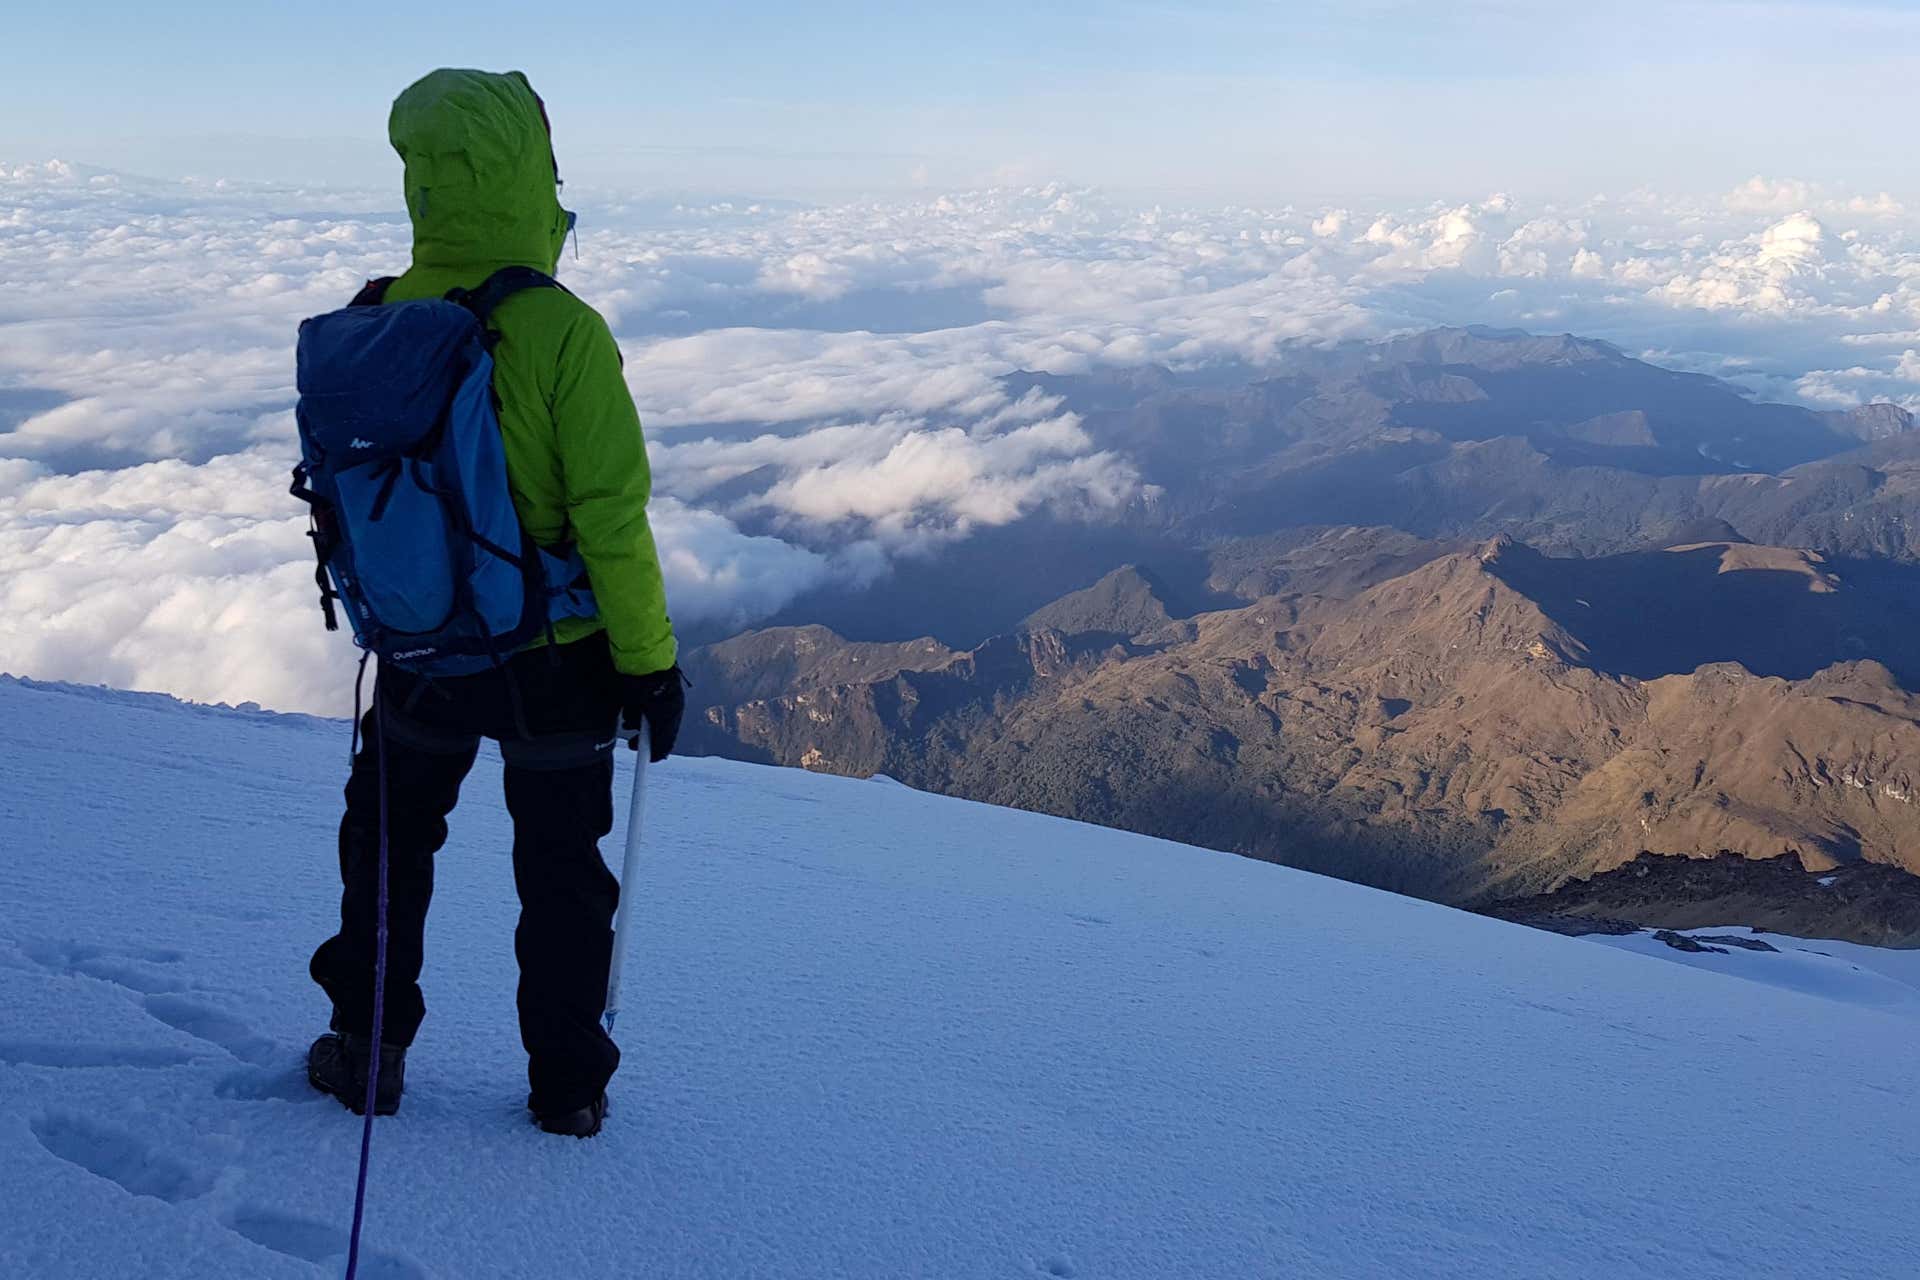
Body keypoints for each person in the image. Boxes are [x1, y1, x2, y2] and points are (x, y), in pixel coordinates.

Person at [305, 68, 683, 1139]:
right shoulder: (561, 330)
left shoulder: (375, 317)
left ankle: (366, 1049)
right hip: (554, 658)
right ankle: (567, 1088)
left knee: (388, 843)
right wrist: (649, 665)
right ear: (529, 172)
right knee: (562, 874)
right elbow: (611, 519)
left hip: (421, 648)